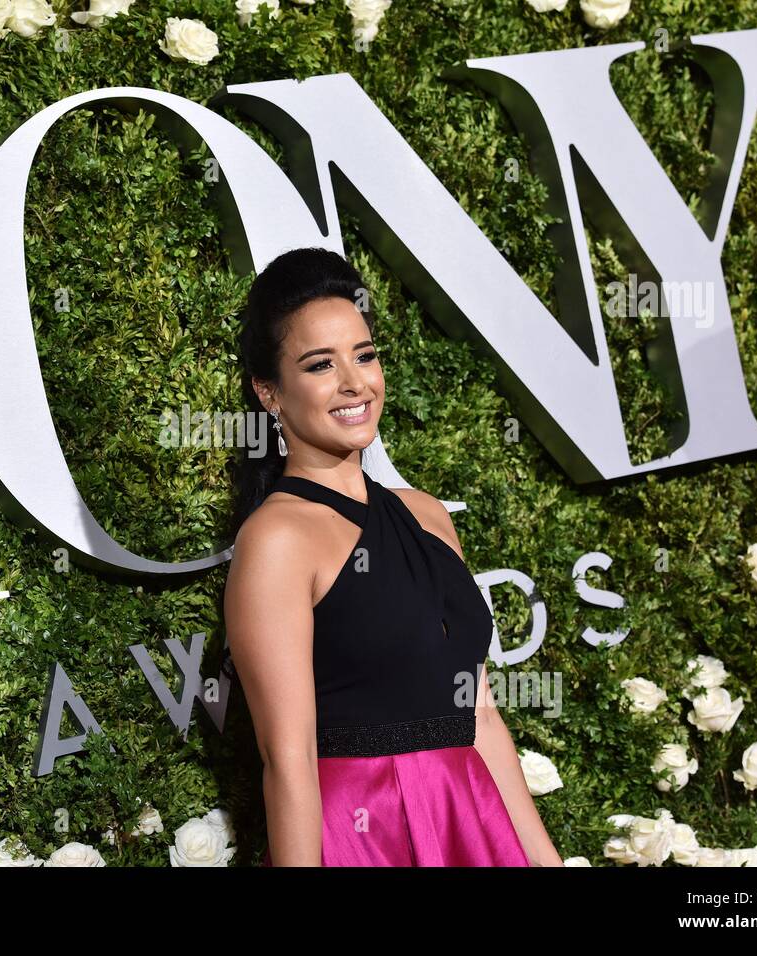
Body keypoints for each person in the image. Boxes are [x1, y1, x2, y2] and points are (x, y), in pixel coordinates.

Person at [222, 246, 564, 867]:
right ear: (270, 393)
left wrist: (546, 862)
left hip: (470, 822)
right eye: (320, 365)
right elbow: (289, 759)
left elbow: (479, 717)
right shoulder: (277, 540)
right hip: (362, 837)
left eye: (365, 355)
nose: (355, 383)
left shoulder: (428, 515)